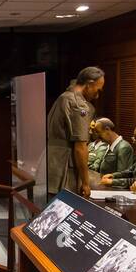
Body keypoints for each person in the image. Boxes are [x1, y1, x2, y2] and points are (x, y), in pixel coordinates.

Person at [45, 66, 104, 196]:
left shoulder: (64, 96)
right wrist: (86, 183)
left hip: (52, 162)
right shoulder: (78, 104)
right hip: (65, 167)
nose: (97, 96)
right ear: (89, 84)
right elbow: (80, 147)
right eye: (97, 90)